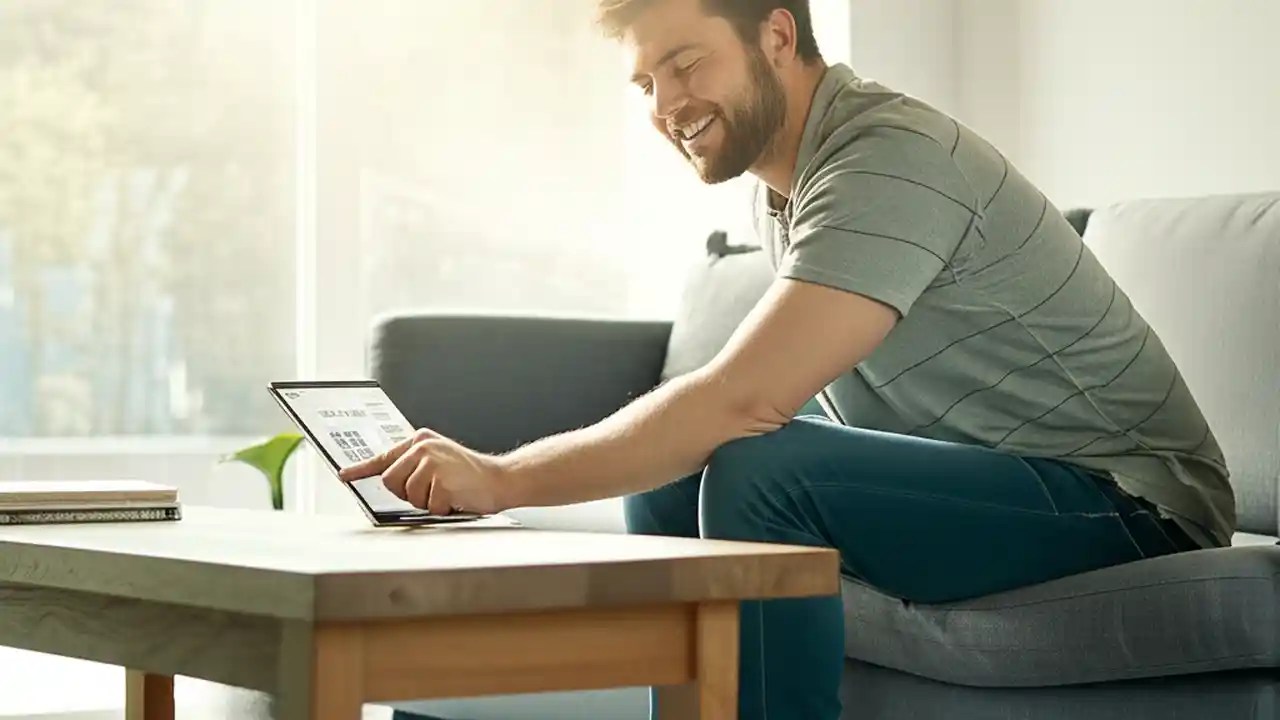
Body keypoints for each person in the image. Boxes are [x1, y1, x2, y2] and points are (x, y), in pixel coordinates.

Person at [342, 1, 1235, 717]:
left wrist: (501, 477)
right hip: (1009, 478)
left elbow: (742, 402)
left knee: (763, 471)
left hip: (1133, 503)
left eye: (687, 64)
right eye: (646, 81)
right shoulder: (791, 191)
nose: (664, 106)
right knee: (669, 481)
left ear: (777, 34)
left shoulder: (888, 160)